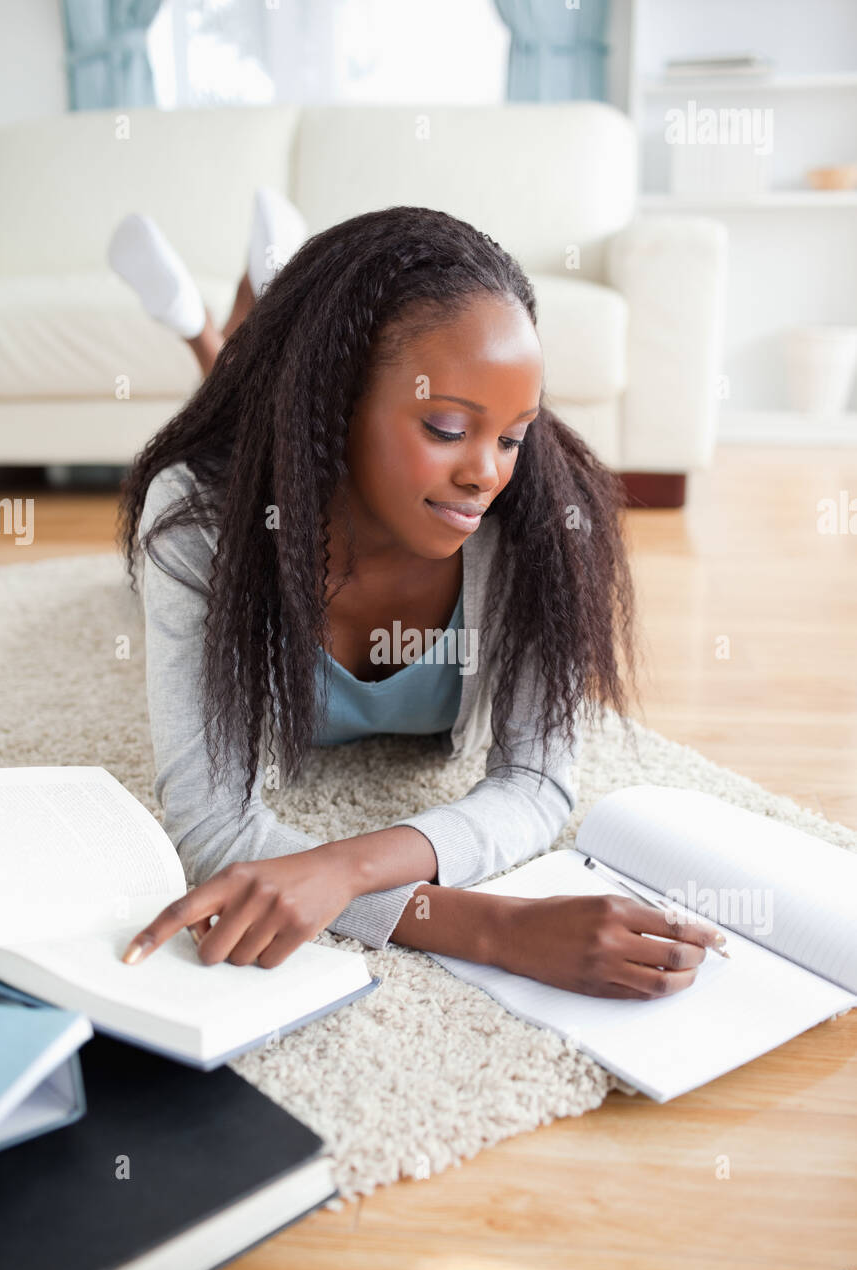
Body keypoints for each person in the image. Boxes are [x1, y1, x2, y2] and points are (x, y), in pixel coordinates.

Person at [112, 199, 725, 998]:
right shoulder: (199, 522)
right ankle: (211, 324)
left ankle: (256, 292)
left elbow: (536, 783)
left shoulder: (538, 524)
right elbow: (212, 825)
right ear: (334, 404)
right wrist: (493, 928)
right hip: (270, 478)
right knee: (240, 407)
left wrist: (342, 865)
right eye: (445, 426)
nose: (487, 474)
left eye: (511, 434)